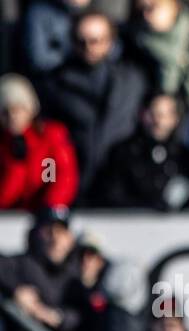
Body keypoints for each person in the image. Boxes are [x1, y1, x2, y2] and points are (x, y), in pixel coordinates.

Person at [36, 11, 148, 198]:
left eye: (96, 40)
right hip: (74, 188)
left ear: (110, 41)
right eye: (81, 41)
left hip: (123, 188)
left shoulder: (133, 80)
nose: (88, 47)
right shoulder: (55, 84)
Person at [93, 91, 189, 210]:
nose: (158, 121)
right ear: (142, 114)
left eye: (165, 115)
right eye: (153, 113)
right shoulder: (122, 153)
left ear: (175, 119)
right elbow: (110, 196)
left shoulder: (185, 158)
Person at [0, 74, 79, 210]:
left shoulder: (50, 136)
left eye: (18, 109)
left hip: (47, 215)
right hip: (12, 221)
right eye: (6, 111)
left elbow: (63, 175)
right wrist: (16, 166)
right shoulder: (4, 146)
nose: (13, 116)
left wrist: (50, 207)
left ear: (30, 109)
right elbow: (4, 197)